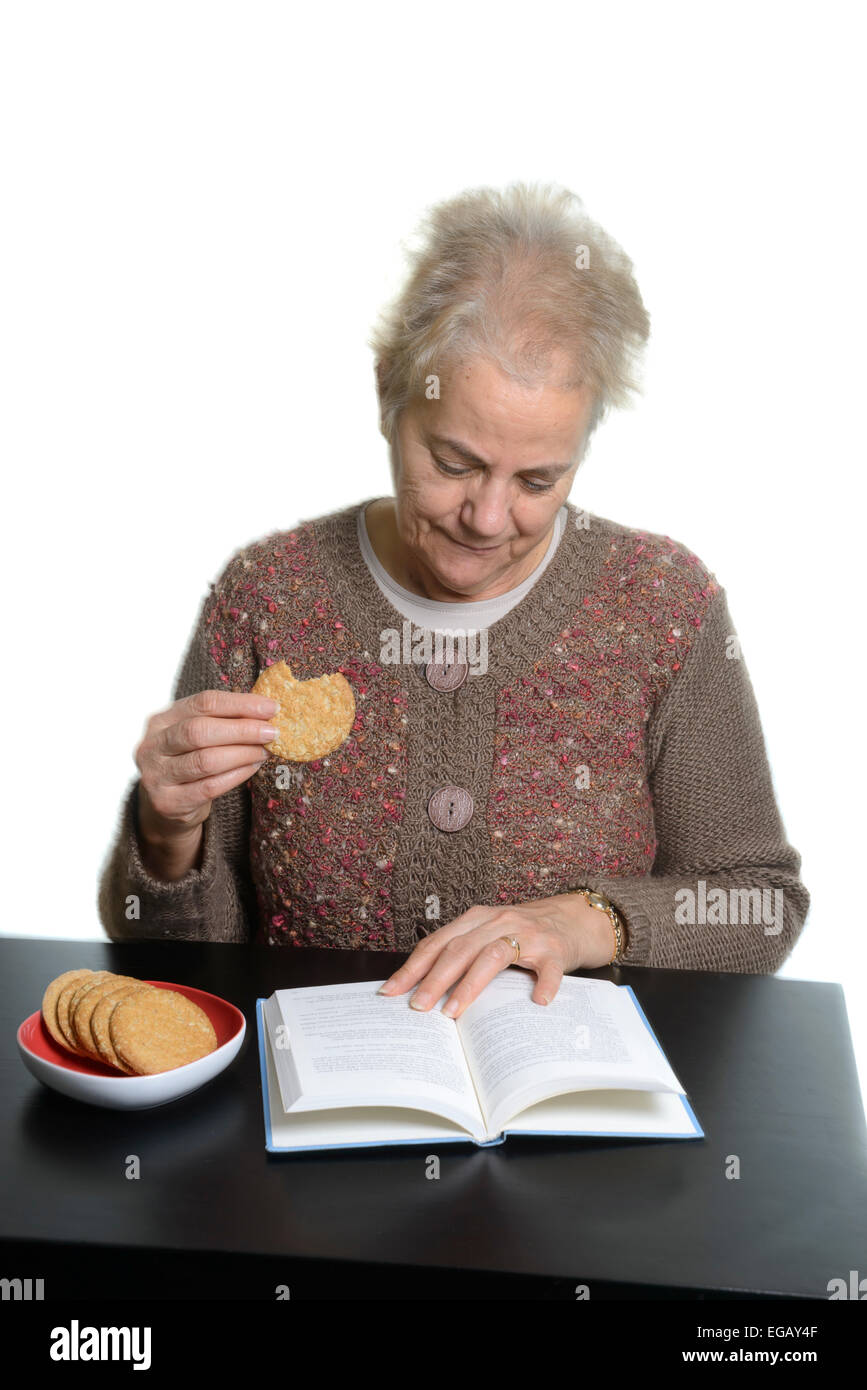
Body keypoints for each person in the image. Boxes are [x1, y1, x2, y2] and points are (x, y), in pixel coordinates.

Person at [98, 181, 809, 1019]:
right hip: (312, 1098)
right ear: (387, 396)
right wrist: (165, 835)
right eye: (455, 463)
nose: (487, 517)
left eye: (537, 480)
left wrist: (591, 922)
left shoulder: (662, 605)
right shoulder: (267, 597)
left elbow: (759, 904)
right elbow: (181, 973)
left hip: (571, 1109)